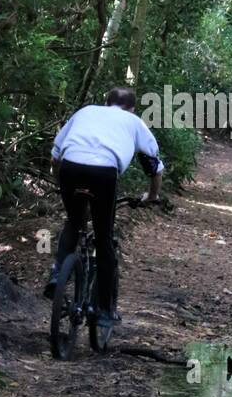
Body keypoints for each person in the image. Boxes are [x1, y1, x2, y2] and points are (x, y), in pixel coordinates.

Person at [44, 87, 163, 326]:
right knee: (103, 237)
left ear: (105, 102)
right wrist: (152, 195)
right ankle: (105, 311)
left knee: (74, 221)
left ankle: (57, 275)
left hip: (70, 167)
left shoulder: (86, 111)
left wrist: (62, 183)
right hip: (104, 173)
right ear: (132, 108)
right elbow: (154, 166)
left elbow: (56, 154)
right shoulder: (133, 121)